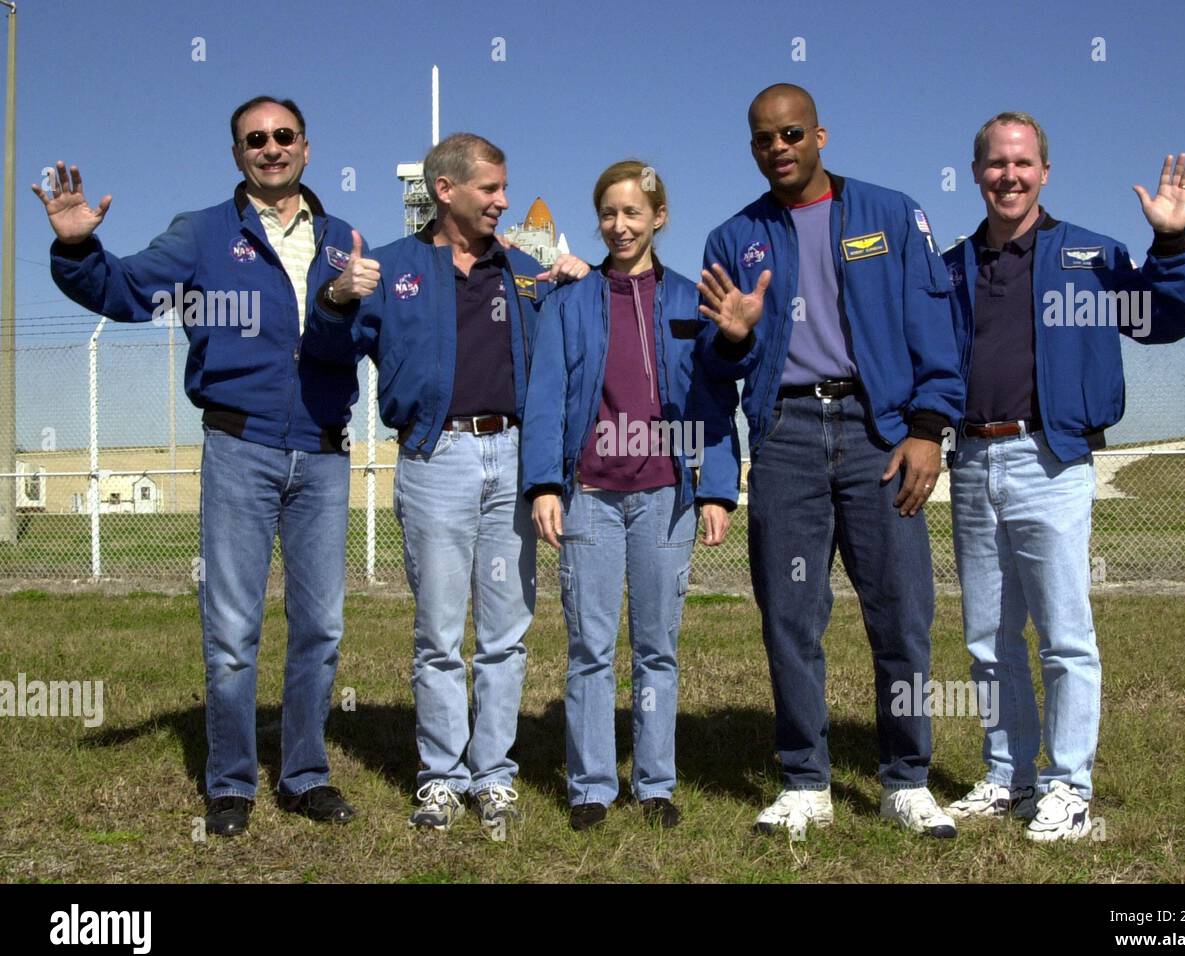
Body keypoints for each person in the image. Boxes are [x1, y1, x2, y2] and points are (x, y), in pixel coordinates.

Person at [36, 96, 380, 837]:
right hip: (239, 447)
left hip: (323, 452)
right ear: (238, 155)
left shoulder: (345, 239)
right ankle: (230, 783)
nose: (270, 147)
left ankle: (304, 775)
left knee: (320, 625)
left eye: (283, 135)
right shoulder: (202, 234)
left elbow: (378, 334)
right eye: (254, 139)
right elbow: (126, 290)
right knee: (231, 629)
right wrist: (76, 250)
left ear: (307, 148)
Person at [696, 84, 964, 838]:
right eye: (762, 139)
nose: (777, 149)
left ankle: (906, 779)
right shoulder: (733, 238)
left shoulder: (889, 213)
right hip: (783, 435)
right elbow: (713, 370)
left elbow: (934, 325)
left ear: (820, 135)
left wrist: (925, 429)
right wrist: (736, 337)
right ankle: (805, 781)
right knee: (790, 616)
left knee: (903, 615)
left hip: (878, 432)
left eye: (790, 134)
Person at [303, 133, 586, 840]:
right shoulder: (393, 269)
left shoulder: (524, 271)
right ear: (445, 190)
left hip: (514, 455)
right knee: (437, 633)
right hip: (437, 458)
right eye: (490, 188)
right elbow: (328, 348)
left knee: (505, 632)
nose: (503, 200)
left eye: (504, 186)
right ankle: (440, 778)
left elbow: (568, 352)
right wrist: (337, 299)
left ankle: (494, 777)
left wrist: (577, 286)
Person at [941, 112, 1185, 840]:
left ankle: (1067, 787)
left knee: (1064, 638)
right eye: (996, 163)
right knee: (988, 641)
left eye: (1023, 163)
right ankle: (1007, 775)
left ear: (1045, 173)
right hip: (971, 463)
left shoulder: (1090, 257)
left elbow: (1167, 317)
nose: (1010, 175)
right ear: (977, 174)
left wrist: (1171, 241)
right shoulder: (954, 268)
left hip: (1050, 459)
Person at [522, 160, 742, 831]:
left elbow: (712, 396)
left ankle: (655, 784)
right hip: (589, 492)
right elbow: (547, 396)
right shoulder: (570, 301)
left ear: (659, 218)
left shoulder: (686, 299)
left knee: (657, 647)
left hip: (664, 496)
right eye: (609, 214)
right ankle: (591, 786)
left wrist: (716, 489)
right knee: (591, 647)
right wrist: (545, 484)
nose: (620, 225)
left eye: (632, 213)